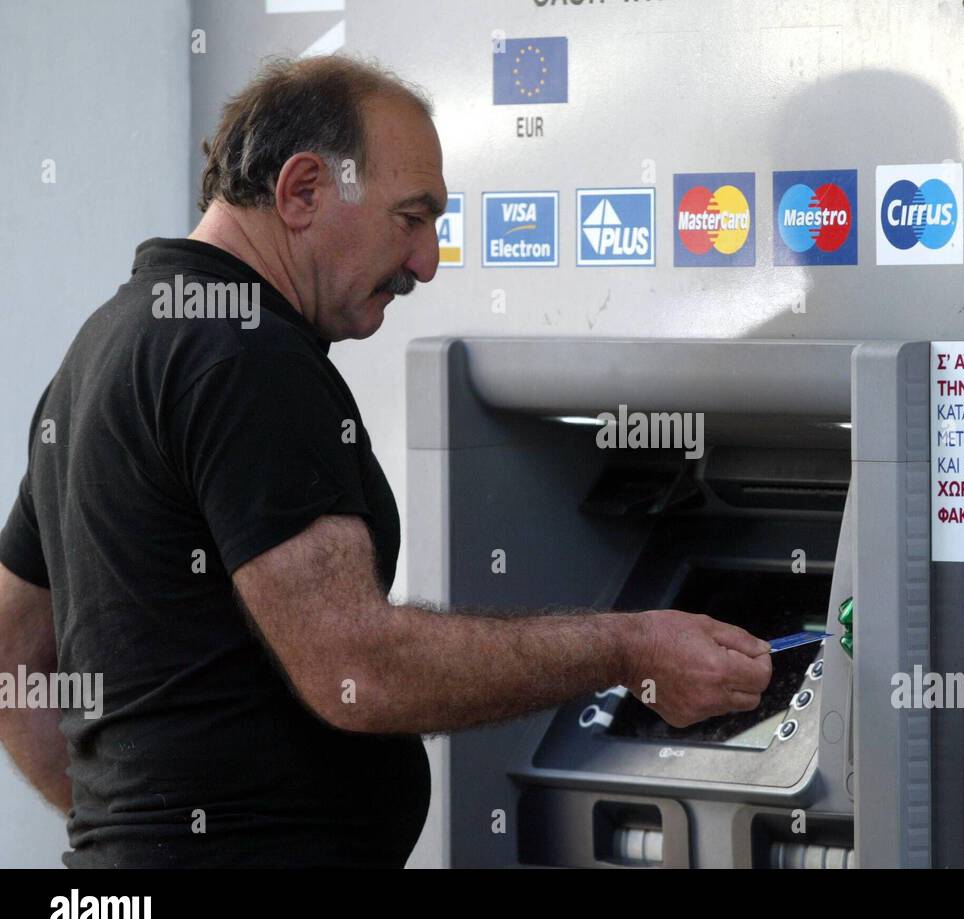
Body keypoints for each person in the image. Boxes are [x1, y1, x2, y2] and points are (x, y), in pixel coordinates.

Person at [0, 55, 772, 868]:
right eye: (412, 218)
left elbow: (13, 657)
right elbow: (357, 669)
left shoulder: (108, 343)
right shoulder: (247, 357)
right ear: (302, 191)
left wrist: (129, 832)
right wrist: (629, 646)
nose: (426, 262)